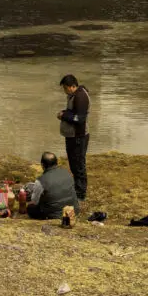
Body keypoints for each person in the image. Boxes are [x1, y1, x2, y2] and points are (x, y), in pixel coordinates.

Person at [57, 74, 91, 202]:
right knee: (73, 163)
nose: (65, 91)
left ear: (72, 86)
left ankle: (81, 193)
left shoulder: (81, 97)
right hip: (72, 136)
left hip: (79, 136)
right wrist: (64, 112)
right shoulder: (74, 95)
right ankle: (77, 188)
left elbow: (80, 119)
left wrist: (63, 116)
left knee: (78, 165)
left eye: (66, 88)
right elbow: (73, 113)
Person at [23, 151, 79, 220]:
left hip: (54, 216)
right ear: (56, 162)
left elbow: (35, 201)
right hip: (73, 210)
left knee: (30, 208)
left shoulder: (41, 181)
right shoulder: (67, 172)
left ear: (42, 165)